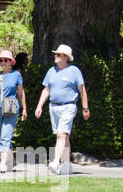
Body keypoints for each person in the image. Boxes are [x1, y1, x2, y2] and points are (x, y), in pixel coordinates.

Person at [34, 45, 89, 175]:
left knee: (61, 134)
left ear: (65, 57)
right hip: (53, 107)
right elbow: (46, 90)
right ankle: (67, 165)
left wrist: (85, 108)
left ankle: (56, 162)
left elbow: (82, 90)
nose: (55, 56)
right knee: (64, 136)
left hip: (69, 106)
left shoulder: (74, 71)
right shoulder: (51, 71)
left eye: (58, 55)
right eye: (56, 54)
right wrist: (39, 106)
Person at [0, 49, 27, 173]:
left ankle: (2, 164)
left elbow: (21, 92)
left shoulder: (16, 75)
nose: (4, 62)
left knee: (5, 136)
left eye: (6, 60)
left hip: (11, 106)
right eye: (2, 60)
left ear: (11, 62)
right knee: (2, 136)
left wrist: (24, 109)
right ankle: (10, 161)